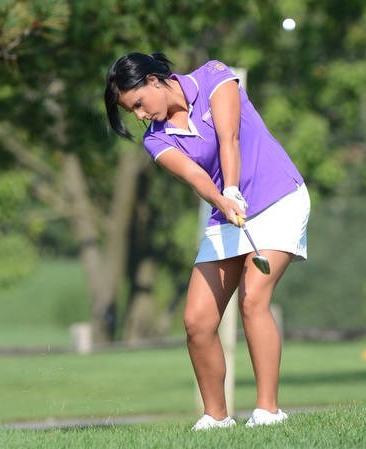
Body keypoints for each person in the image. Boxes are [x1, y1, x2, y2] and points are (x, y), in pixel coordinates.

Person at [104, 53, 310, 430]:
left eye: (137, 104)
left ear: (154, 81)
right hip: (226, 212)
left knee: (253, 299)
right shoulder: (156, 139)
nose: (139, 116)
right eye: (130, 111)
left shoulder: (214, 76)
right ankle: (216, 419)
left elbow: (229, 138)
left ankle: (268, 412)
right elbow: (197, 178)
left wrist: (231, 188)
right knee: (197, 321)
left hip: (278, 196)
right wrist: (222, 200)